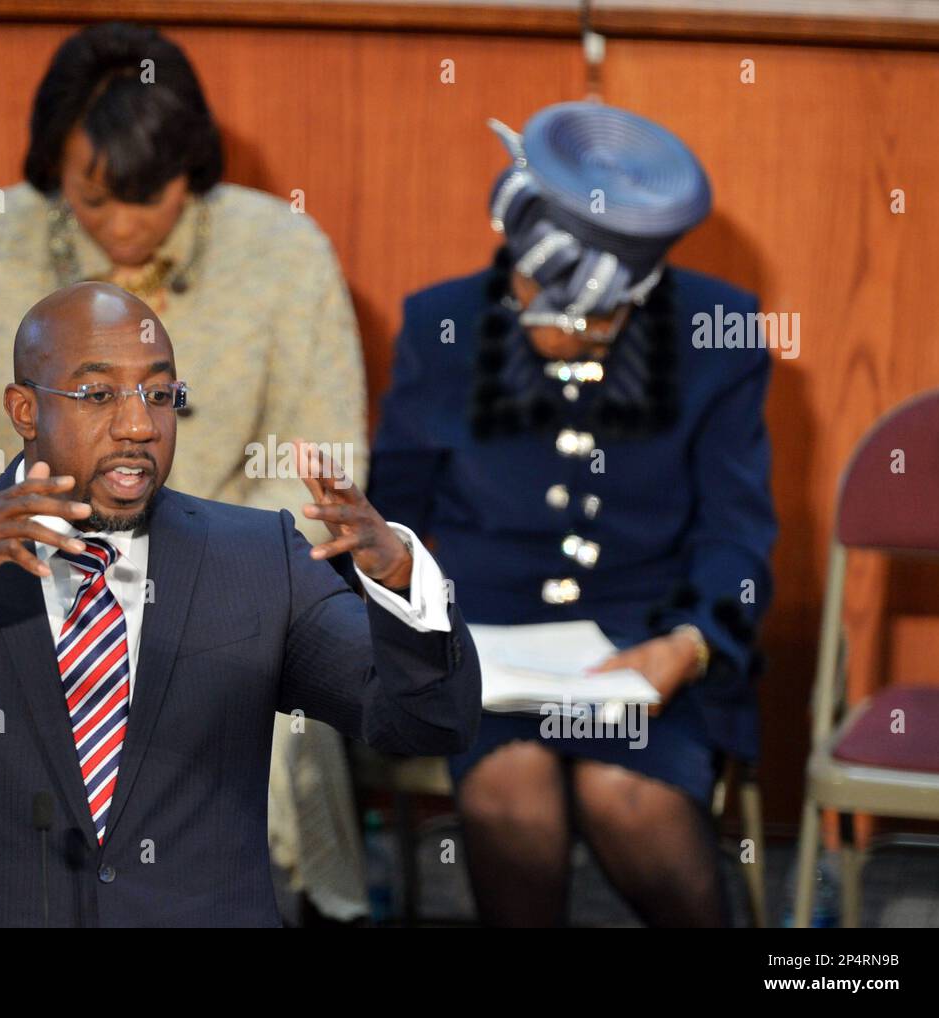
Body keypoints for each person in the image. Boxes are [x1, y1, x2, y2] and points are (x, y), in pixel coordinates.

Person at [0, 282, 480, 927]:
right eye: (98, 395)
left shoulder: (258, 557)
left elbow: (425, 721)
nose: (138, 425)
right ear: (24, 409)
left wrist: (403, 580)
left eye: (160, 395)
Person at [0, 23, 371, 925]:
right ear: (51, 170)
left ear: (196, 169)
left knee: (235, 745)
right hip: (15, 595)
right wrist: (3, 548)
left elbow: (320, 466)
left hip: (228, 607)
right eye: (97, 199)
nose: (127, 226)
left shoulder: (284, 252)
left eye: (154, 196)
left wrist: (202, 573)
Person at [369, 102, 776, 927]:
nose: (555, 330)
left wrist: (690, 646)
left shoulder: (716, 334)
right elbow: (396, 511)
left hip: (648, 635)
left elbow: (738, 533)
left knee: (626, 794)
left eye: (586, 317)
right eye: (532, 298)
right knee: (511, 796)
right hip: (485, 645)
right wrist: (370, 545)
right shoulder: (442, 324)